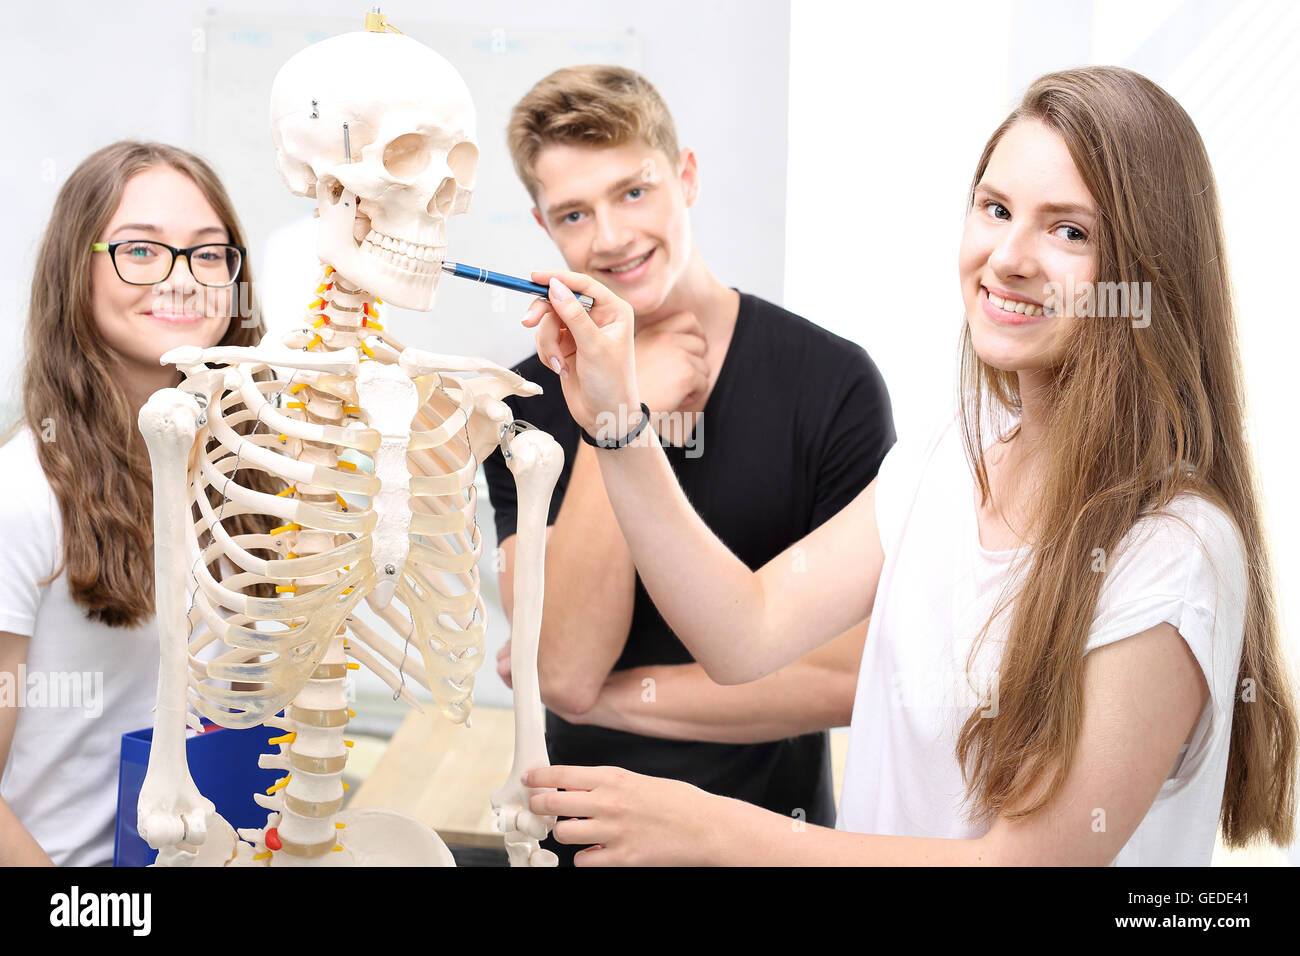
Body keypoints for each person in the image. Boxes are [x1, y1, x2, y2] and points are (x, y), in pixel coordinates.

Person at [517, 66, 1298, 865]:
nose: (1008, 257)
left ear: (1147, 269)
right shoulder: (946, 458)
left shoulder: (1174, 548)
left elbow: (1022, 865)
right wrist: (618, 419)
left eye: (1070, 232)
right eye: (996, 210)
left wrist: (716, 831)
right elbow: (744, 630)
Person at [482, 66, 895, 865]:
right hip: (579, 843)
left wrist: (611, 702)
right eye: (575, 213)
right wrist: (618, 412)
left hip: (770, 844)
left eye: (634, 192)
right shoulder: (518, 402)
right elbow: (564, 669)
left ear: (688, 176)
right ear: (544, 225)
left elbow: (846, 680)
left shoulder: (832, 383)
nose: (610, 237)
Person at [0, 141, 276, 866]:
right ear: (76, 269)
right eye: (141, 251)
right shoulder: (24, 494)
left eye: (208, 254)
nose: (182, 280)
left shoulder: (246, 474)